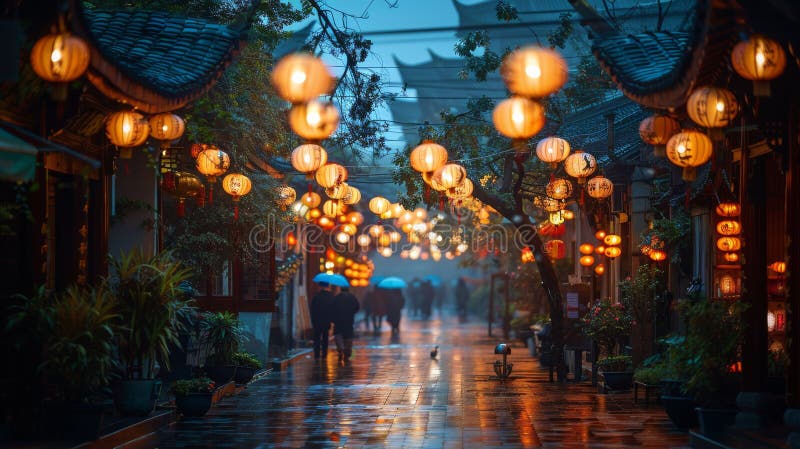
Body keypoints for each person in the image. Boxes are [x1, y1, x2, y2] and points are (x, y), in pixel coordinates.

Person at [332, 286, 360, 364]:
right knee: (348, 337)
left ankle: (340, 348)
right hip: (349, 320)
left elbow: (332, 308)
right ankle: (347, 353)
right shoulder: (352, 297)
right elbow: (357, 308)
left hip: (338, 320)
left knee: (338, 335)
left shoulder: (337, 298)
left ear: (341, 289)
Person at [310, 281, 335, 360]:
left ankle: (317, 355)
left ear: (320, 286)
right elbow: (333, 309)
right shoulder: (331, 296)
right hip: (326, 320)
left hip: (317, 320)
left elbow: (312, 309)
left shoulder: (316, 296)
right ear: (328, 286)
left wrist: (313, 319)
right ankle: (324, 354)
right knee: (325, 337)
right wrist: (331, 319)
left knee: (317, 338)